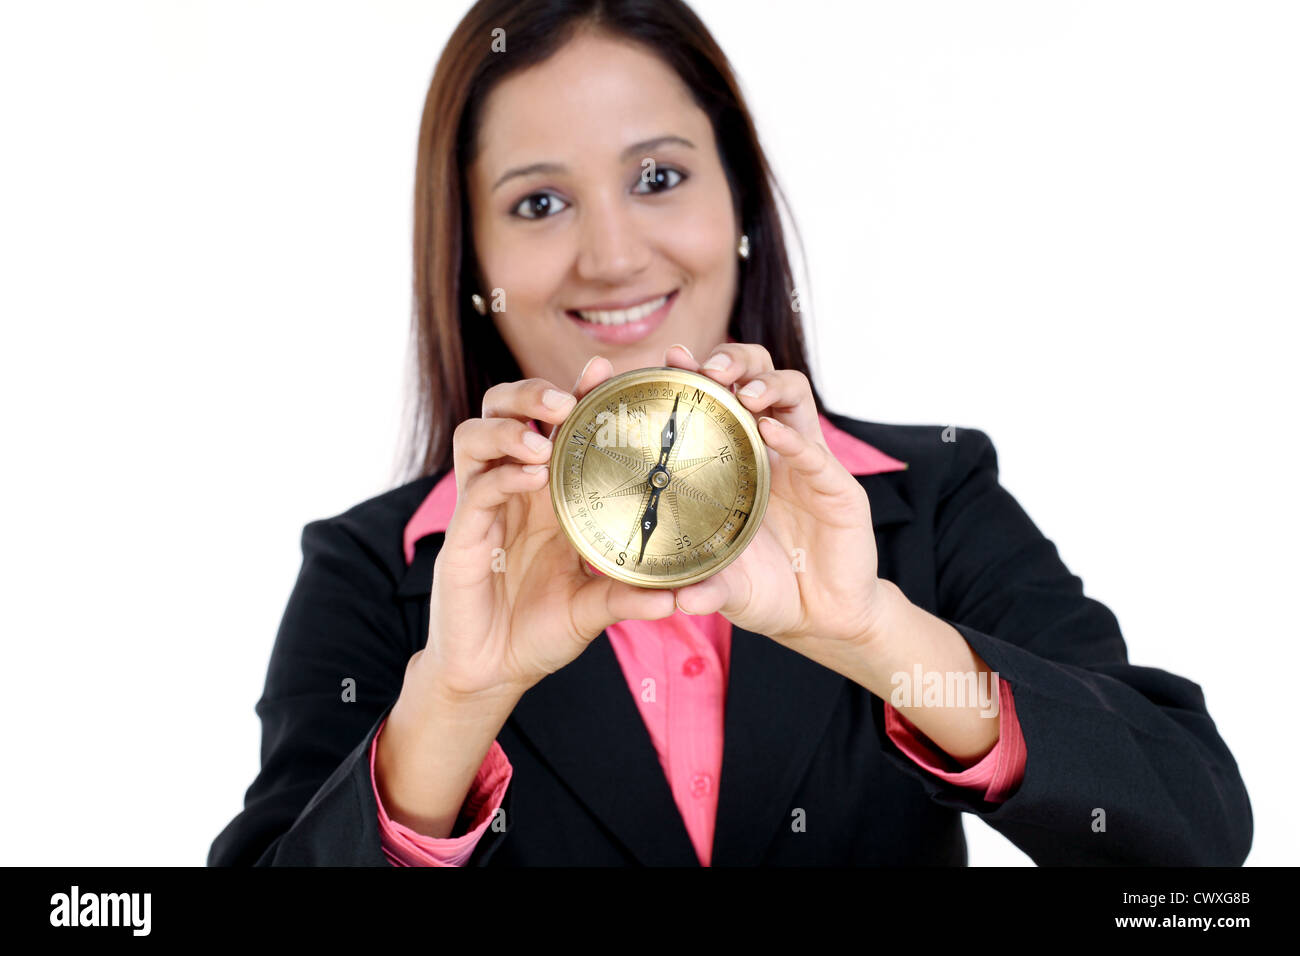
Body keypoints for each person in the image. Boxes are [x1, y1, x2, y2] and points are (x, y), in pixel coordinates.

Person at [208, 0, 1252, 866]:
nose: (613, 255)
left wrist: (872, 634)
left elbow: (1193, 832)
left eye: (658, 177)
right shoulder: (374, 568)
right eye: (537, 202)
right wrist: (453, 701)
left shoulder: (928, 493)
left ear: (739, 203)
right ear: (471, 264)